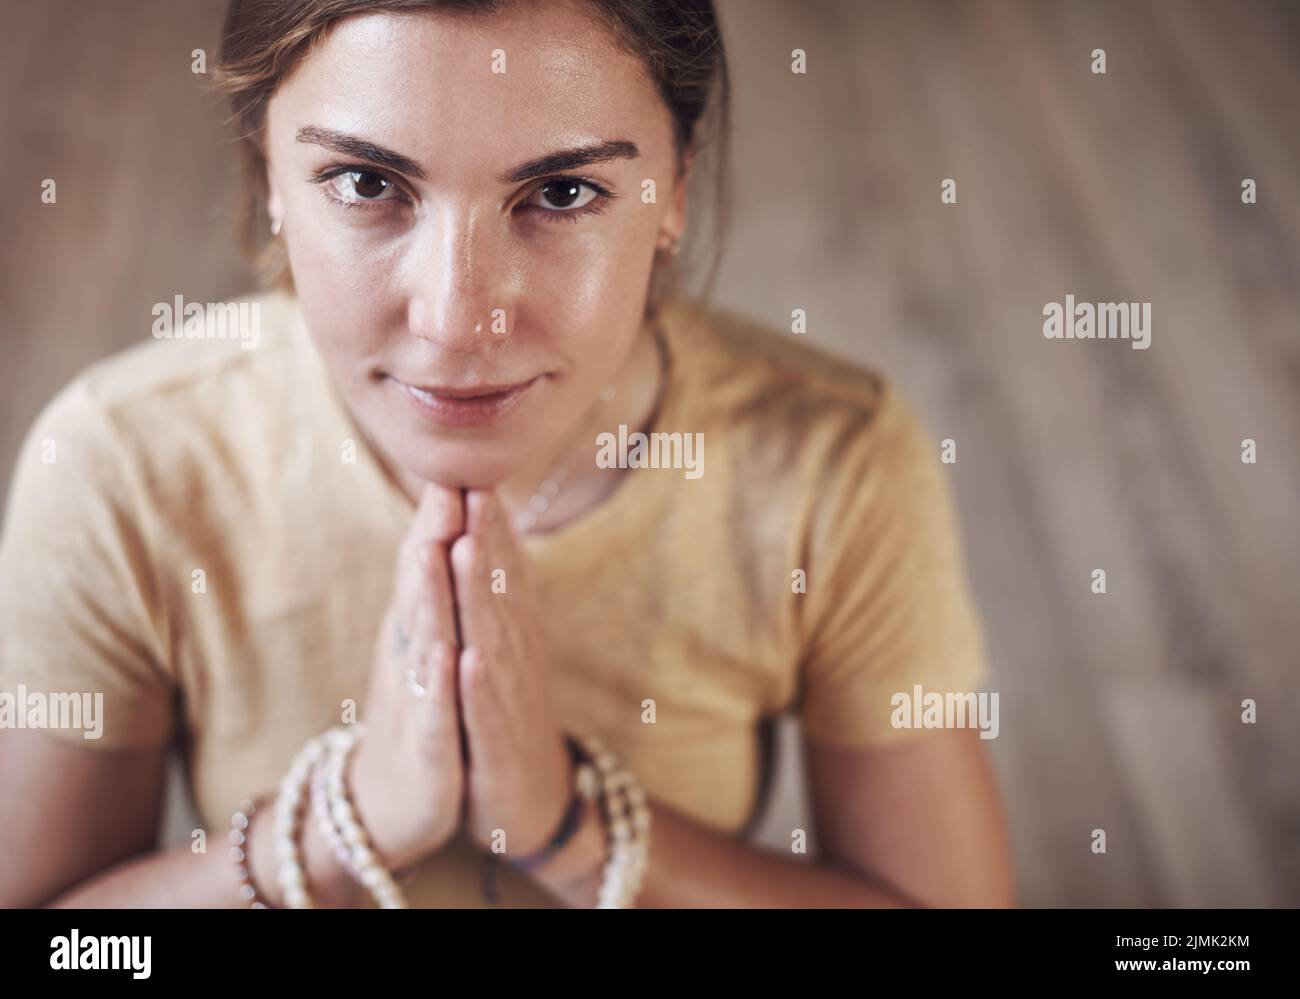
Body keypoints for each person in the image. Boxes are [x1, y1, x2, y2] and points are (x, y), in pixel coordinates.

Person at [0, 0, 1013, 908]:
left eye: (562, 193)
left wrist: (571, 828)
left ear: (673, 195)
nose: (456, 320)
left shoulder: (830, 460)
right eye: (365, 181)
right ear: (268, 174)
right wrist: (344, 821)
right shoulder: (122, 463)